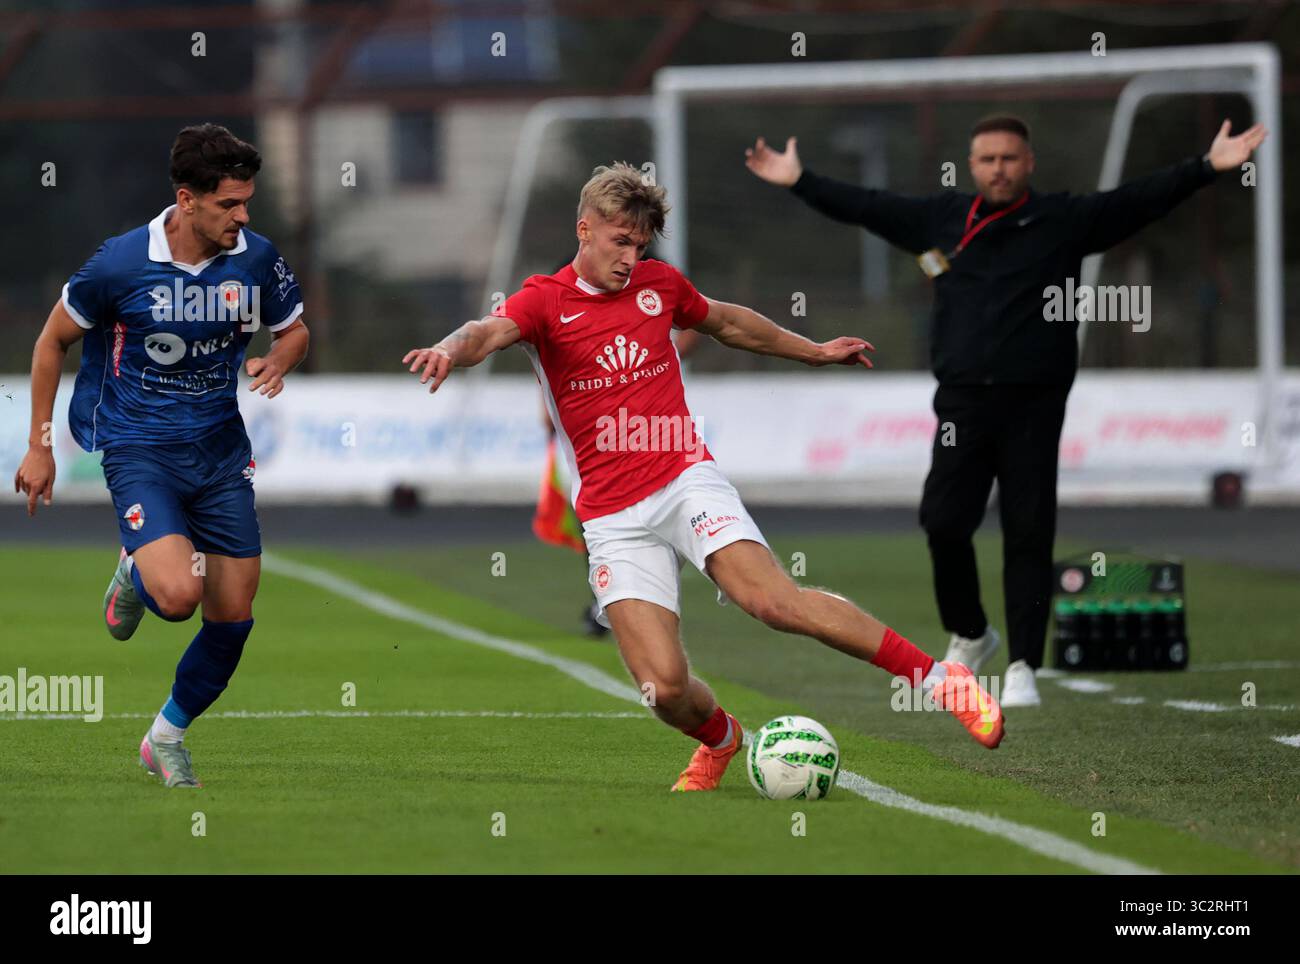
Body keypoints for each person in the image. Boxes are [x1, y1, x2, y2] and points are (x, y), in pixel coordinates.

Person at [403, 162, 1005, 794]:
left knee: (773, 602)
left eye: (640, 245)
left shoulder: (659, 286)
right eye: (619, 242)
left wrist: (815, 350)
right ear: (585, 230)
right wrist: (447, 347)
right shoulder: (543, 301)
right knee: (662, 687)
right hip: (611, 515)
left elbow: (728, 322)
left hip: (683, 476)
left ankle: (943, 681)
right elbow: (484, 332)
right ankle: (720, 740)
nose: (632, 257)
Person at [745, 115, 1266, 707]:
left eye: (1009, 158)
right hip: (962, 403)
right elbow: (866, 204)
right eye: (988, 159)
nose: (999, 168)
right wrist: (798, 179)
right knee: (943, 521)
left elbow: (1136, 202)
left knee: (1028, 531)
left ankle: (1023, 665)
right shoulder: (941, 221)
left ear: (1029, 163)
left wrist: (1204, 167)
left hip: (1034, 404)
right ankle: (971, 632)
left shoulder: (1062, 221)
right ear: (972, 165)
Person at [13, 123, 309, 787]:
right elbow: (49, 342)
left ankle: (165, 737)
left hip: (221, 455)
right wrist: (40, 448)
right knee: (178, 597)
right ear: (187, 200)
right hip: (139, 448)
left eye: (247, 201)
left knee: (232, 616)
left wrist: (278, 358)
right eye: (230, 204)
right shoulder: (121, 263)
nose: (244, 215)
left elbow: (295, 330)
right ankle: (136, 572)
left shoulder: (256, 258)